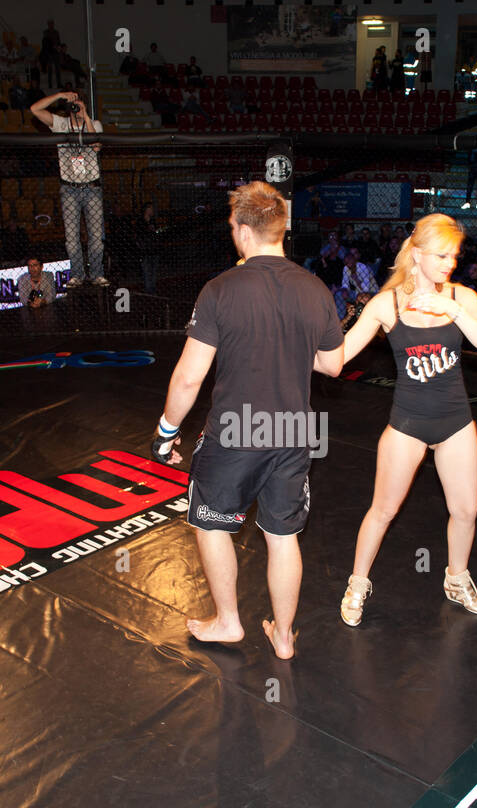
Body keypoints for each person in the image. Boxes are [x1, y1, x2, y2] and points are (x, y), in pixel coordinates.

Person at [149, 182, 344, 660]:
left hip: (236, 433)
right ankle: (282, 636)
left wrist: (165, 432)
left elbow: (189, 378)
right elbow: (333, 365)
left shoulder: (220, 290)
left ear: (240, 231)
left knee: (213, 526)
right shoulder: (314, 288)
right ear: (282, 228)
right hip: (294, 432)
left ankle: (229, 622)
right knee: (283, 537)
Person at [336, 214, 477, 627]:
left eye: (454, 256)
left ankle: (456, 577)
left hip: (455, 423)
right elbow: (338, 358)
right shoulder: (386, 304)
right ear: (417, 253)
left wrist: (452, 309)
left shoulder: (461, 297)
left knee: (466, 510)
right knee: (383, 510)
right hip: (408, 424)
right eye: (442, 255)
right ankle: (357, 583)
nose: (450, 263)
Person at [30, 91, 109, 288]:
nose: (75, 106)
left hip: (91, 186)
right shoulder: (61, 124)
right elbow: (35, 109)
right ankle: (77, 274)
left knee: (96, 237)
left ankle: (97, 273)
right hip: (69, 188)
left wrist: (86, 116)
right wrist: (59, 96)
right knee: (71, 238)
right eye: (72, 104)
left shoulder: (94, 124)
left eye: (78, 102)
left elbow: (97, 145)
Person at [135, 203, 164, 294]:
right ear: (146, 210)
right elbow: (138, 235)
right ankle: (148, 289)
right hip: (145, 249)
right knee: (147, 270)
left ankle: (152, 288)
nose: (152, 210)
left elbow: (156, 233)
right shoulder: (140, 222)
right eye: (150, 208)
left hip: (154, 248)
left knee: (154, 270)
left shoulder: (153, 221)